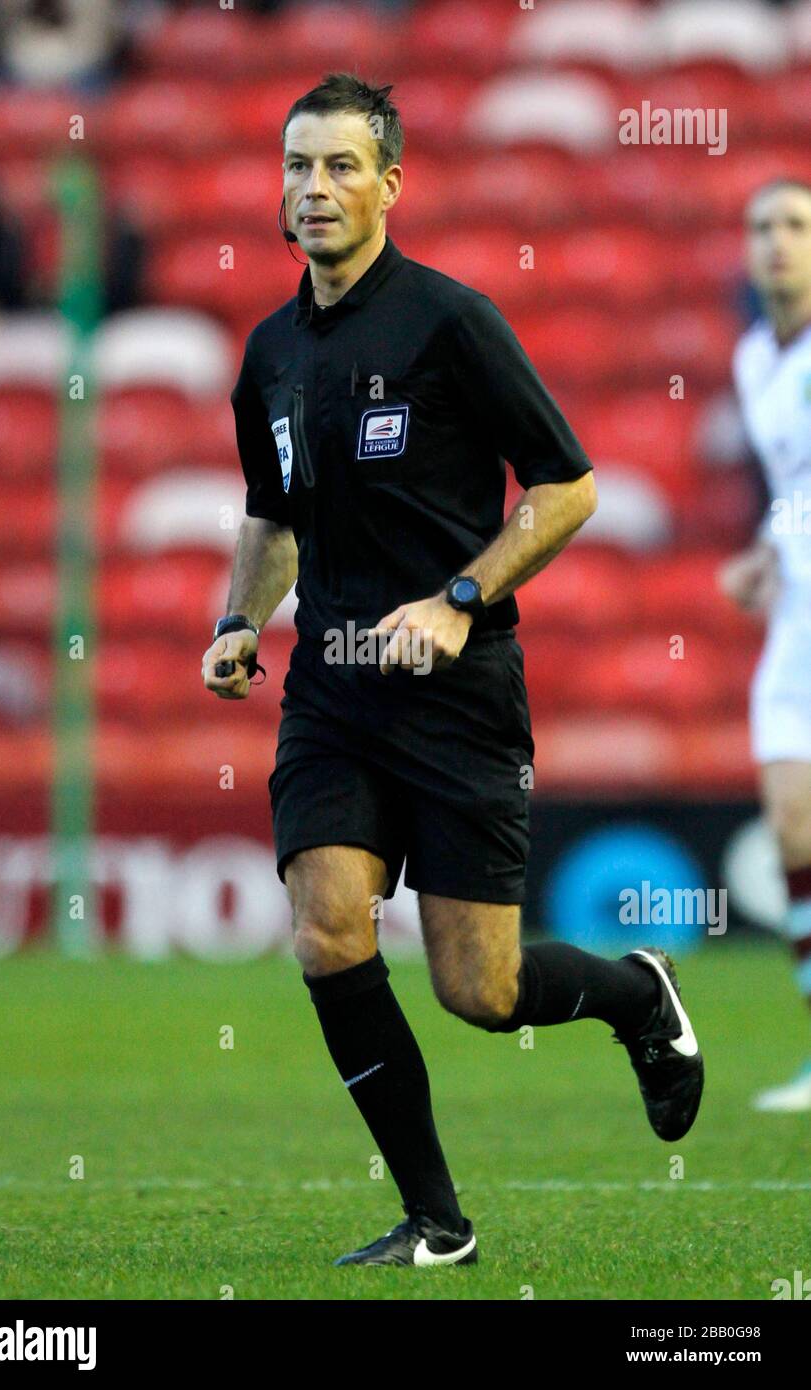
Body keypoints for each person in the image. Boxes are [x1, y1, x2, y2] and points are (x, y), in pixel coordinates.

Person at [202, 72, 703, 1268]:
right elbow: (274, 521)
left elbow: (568, 487)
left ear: (390, 182)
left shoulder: (449, 322)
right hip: (329, 688)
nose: (312, 188)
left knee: (476, 989)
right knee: (327, 932)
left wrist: (460, 599)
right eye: (295, 168)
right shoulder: (267, 354)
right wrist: (236, 624)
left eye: (337, 166)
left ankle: (637, 995)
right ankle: (438, 1222)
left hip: (457, 694)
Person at [721, 178, 811, 1113]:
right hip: (796, 624)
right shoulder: (756, 358)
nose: (777, 242)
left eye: (795, 226)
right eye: (762, 228)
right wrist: (763, 555)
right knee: (793, 827)